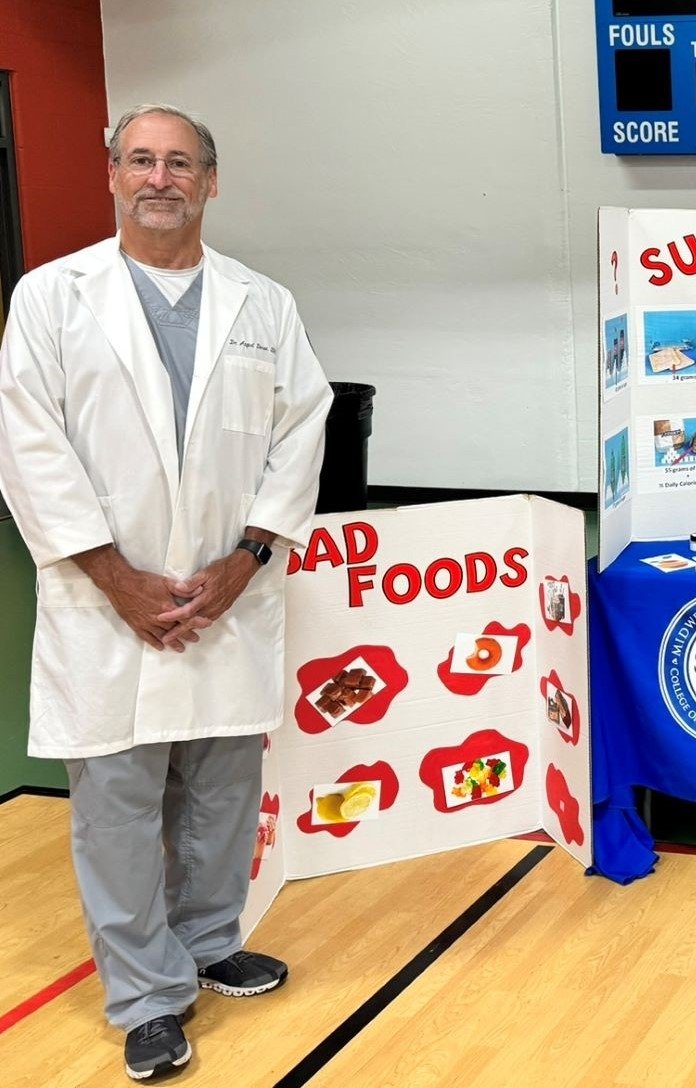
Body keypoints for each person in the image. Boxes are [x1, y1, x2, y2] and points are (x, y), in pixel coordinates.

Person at [0, 103, 331, 1081]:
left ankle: (209, 938)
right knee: (118, 804)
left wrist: (246, 559)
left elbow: (299, 431)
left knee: (223, 790)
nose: (160, 177)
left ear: (211, 181)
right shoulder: (52, 298)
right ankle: (147, 993)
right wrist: (117, 579)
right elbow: (30, 447)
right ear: (111, 174)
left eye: (180, 162)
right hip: (106, 603)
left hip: (227, 592)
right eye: (141, 159)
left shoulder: (262, 305)